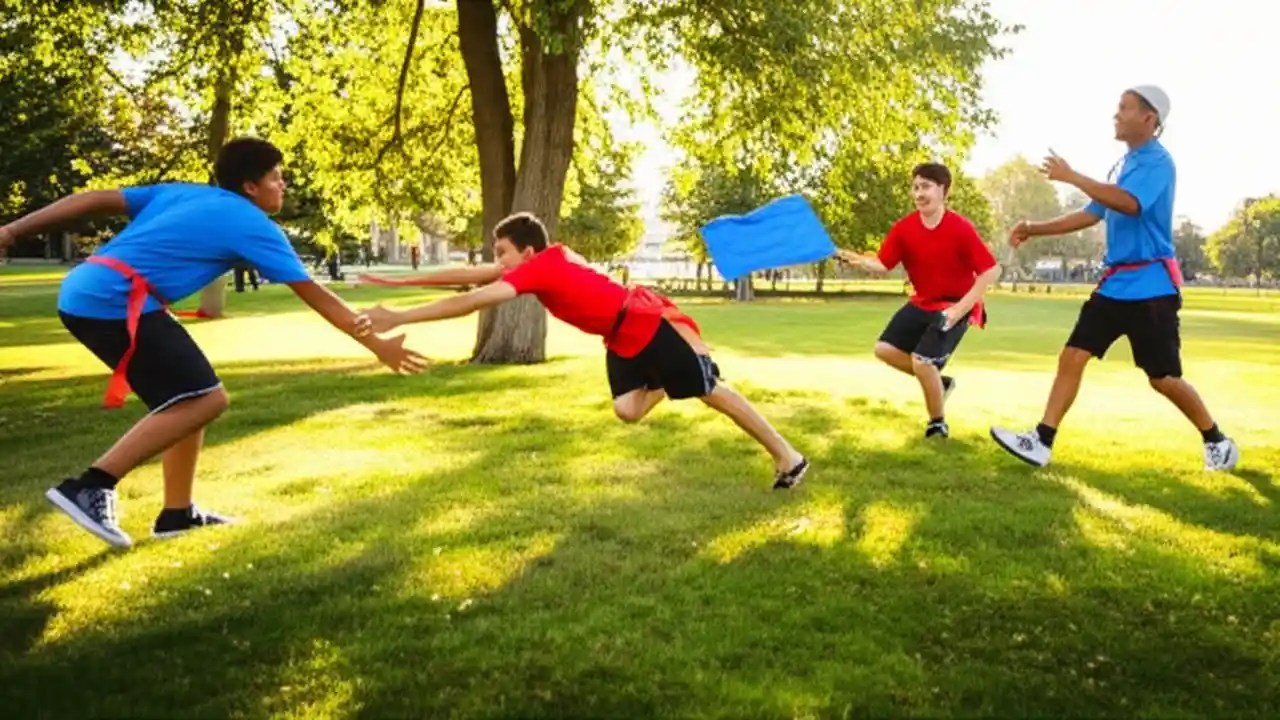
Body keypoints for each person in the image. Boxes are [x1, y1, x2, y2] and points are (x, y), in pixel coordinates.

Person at [0, 137, 426, 549]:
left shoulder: (182, 194)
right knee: (206, 400)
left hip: (91, 291)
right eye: (277, 178)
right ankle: (91, 486)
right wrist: (378, 346)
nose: (284, 185)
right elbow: (318, 297)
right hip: (111, 300)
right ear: (250, 187)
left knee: (188, 399)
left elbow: (92, 198)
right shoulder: (254, 224)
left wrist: (13, 229)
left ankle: (177, 514)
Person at [354, 212, 810, 489]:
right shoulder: (545, 259)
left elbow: (470, 299)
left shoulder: (539, 270)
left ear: (527, 252)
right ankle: (677, 379)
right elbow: (473, 277)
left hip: (648, 323)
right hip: (619, 336)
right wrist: (398, 283)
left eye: (504, 253)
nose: (499, 262)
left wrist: (399, 317)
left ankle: (788, 456)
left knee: (713, 393)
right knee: (627, 410)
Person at [988, 85, 1240, 471]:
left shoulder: (1158, 163)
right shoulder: (1122, 166)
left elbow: (1129, 203)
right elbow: (1093, 213)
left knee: (1163, 378)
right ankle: (1041, 440)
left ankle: (1217, 441)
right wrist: (1034, 228)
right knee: (1073, 355)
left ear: (1149, 119)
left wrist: (1072, 176)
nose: (1116, 115)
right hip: (1115, 284)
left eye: (1124, 108)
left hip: (1151, 287)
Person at [837, 162, 1001, 439]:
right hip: (922, 302)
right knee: (884, 349)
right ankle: (939, 384)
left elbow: (992, 270)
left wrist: (960, 309)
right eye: (915, 187)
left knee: (923, 361)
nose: (919, 193)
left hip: (955, 305)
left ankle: (937, 423)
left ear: (943, 191)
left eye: (926, 186)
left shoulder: (959, 227)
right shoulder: (904, 228)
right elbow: (882, 263)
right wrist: (855, 259)